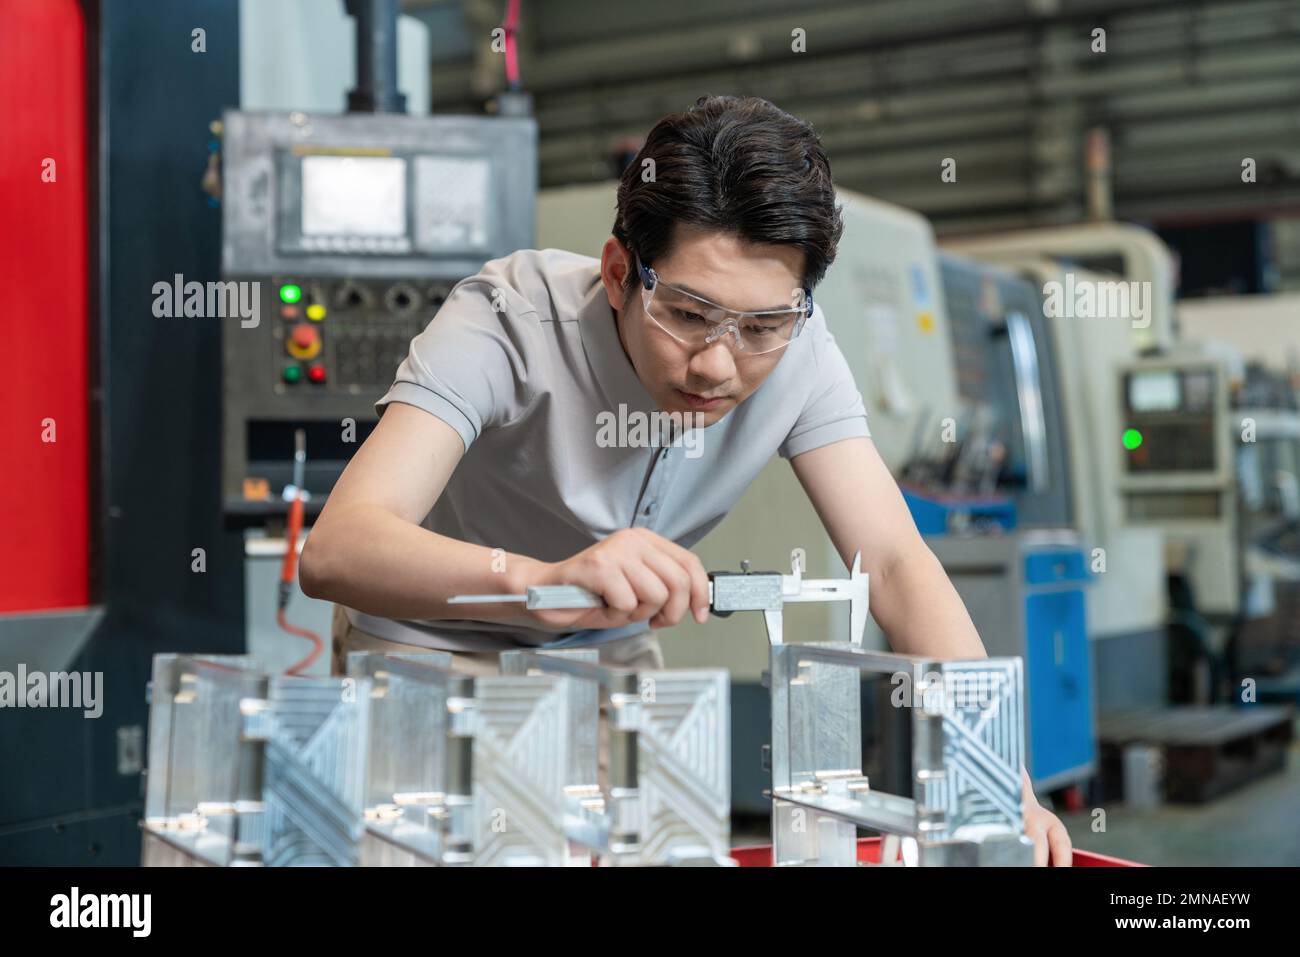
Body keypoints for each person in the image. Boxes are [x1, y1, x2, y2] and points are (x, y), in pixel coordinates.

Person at [299, 94, 1072, 865]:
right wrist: (545, 578)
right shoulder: (507, 321)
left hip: (604, 665)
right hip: (428, 652)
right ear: (617, 272)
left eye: (762, 327)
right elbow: (338, 548)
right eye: (690, 314)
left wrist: (1000, 783)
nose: (718, 364)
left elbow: (897, 565)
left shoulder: (801, 351)